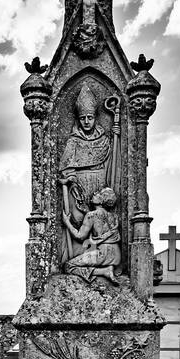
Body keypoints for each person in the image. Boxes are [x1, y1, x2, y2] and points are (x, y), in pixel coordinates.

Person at [57, 83, 120, 268]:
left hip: (99, 183)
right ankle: (81, 257)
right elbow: (65, 167)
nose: (86, 121)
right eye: (83, 118)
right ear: (78, 119)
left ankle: (95, 258)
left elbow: (110, 164)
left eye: (90, 118)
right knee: (79, 221)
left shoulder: (104, 140)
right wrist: (70, 178)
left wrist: (115, 136)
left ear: (95, 118)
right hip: (79, 188)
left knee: (96, 220)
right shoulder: (73, 141)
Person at [62, 188, 121, 283]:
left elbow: (80, 236)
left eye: (99, 194)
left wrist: (67, 222)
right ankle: (107, 269)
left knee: (68, 266)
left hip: (103, 254)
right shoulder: (114, 216)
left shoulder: (91, 215)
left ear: (102, 200)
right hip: (116, 255)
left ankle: (104, 271)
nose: (94, 193)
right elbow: (102, 222)